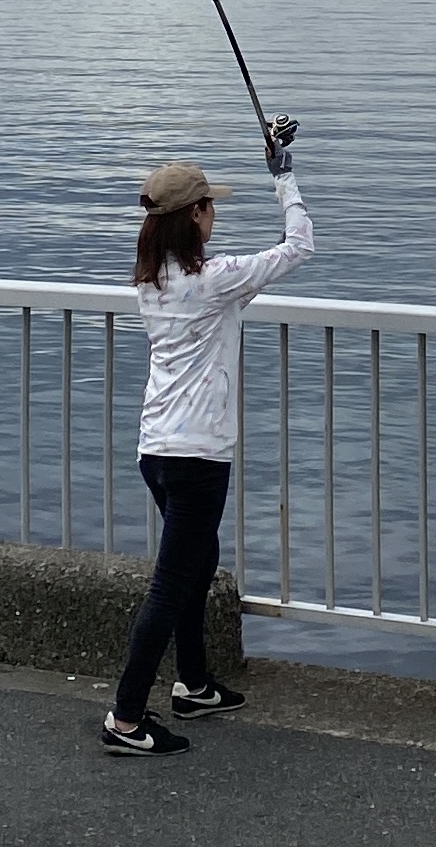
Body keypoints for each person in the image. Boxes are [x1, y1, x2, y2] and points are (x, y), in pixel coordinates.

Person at [100, 114, 314, 757]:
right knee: (171, 585)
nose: (213, 215)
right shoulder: (215, 280)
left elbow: (224, 302)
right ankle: (126, 717)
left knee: (196, 567)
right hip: (197, 456)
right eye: (208, 207)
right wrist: (285, 178)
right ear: (193, 215)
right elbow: (299, 246)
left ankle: (194, 685)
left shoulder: (154, 282)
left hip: (155, 450)